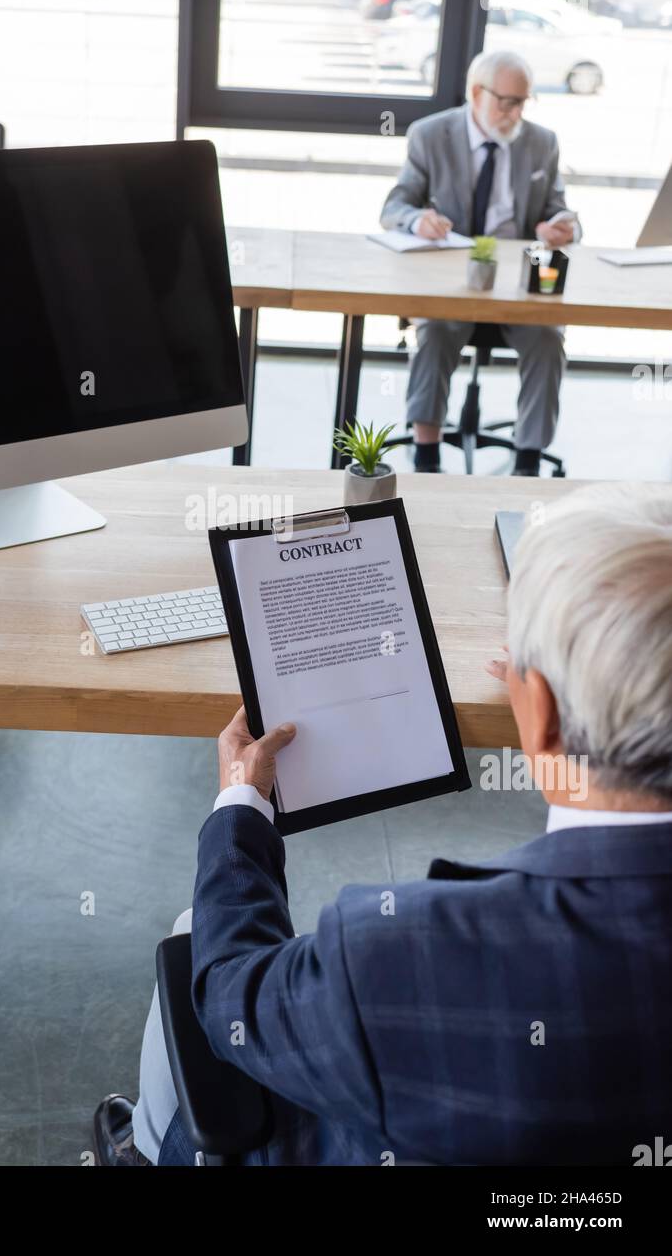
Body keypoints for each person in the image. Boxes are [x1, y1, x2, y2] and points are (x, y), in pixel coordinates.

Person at [93, 481, 672, 1166]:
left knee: (195, 932)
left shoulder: (398, 955)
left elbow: (232, 1001)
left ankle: (141, 1148)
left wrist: (240, 805)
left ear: (537, 714)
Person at [380, 50, 578, 477]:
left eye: (523, 102)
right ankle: (427, 450)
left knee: (548, 336)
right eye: (507, 101)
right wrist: (418, 220)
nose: (516, 112)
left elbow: (561, 213)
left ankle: (528, 459)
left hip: (518, 281)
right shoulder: (430, 135)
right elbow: (395, 206)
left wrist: (563, 227)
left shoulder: (541, 142)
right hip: (452, 277)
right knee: (434, 329)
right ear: (476, 93)